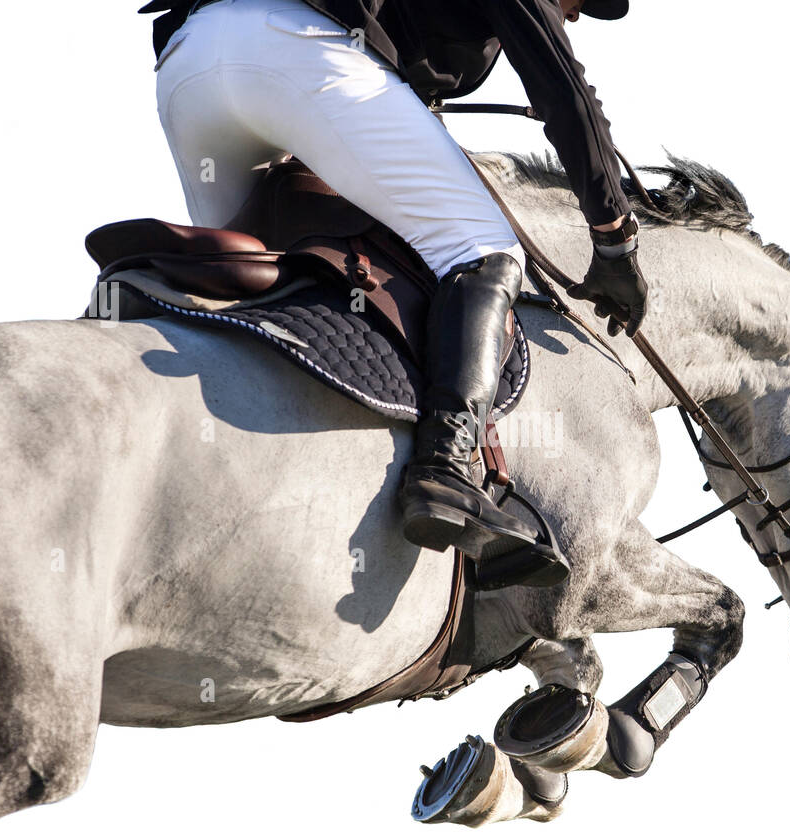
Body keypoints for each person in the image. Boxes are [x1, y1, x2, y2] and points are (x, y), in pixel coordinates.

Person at [138, 0, 649, 585]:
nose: (576, 15)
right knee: (484, 249)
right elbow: (565, 92)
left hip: (191, 61)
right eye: (581, 1)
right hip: (297, 48)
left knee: (240, 284)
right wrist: (614, 238)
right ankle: (447, 467)